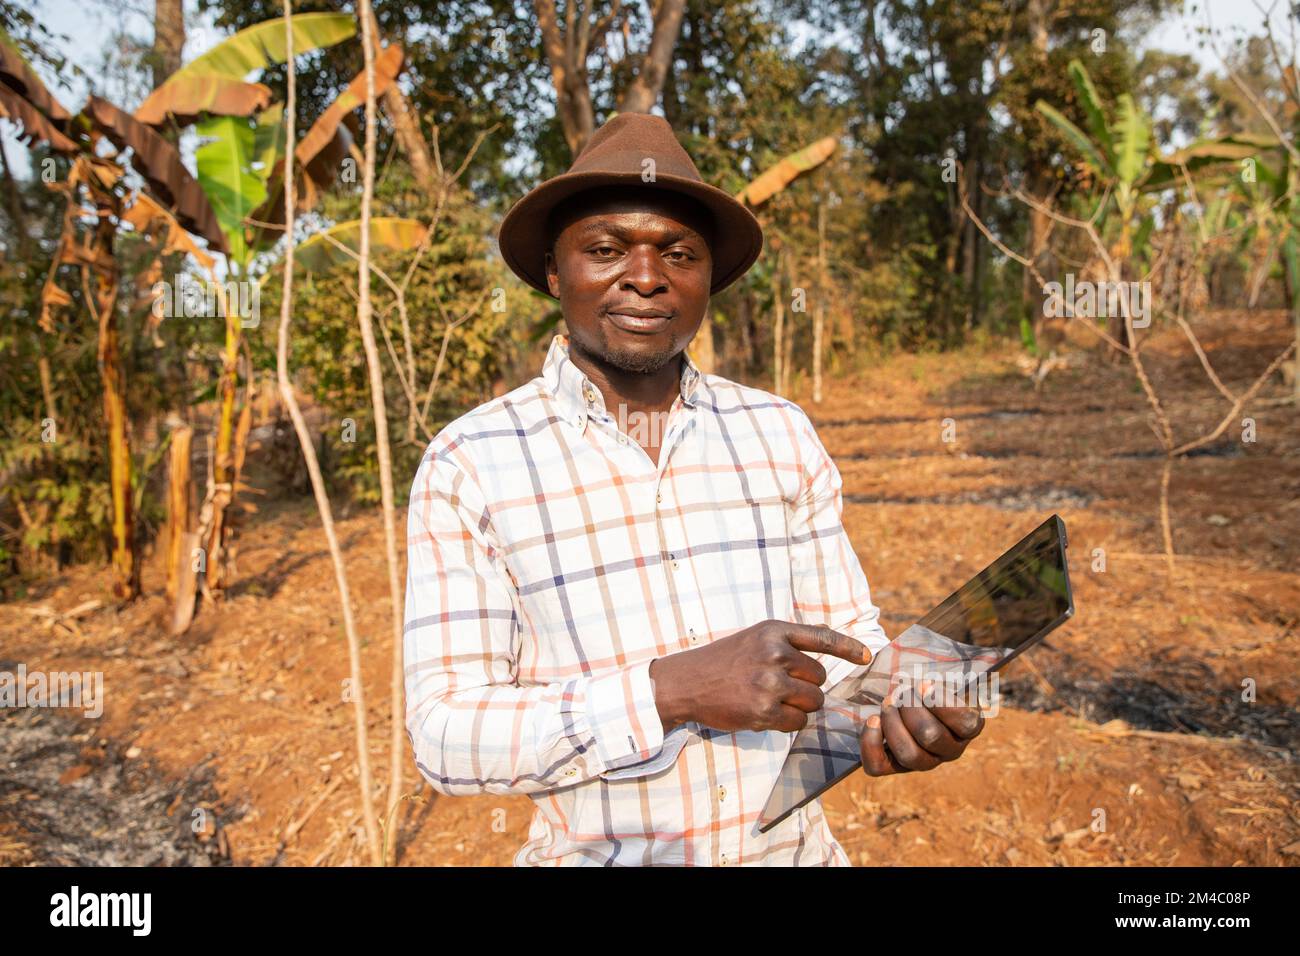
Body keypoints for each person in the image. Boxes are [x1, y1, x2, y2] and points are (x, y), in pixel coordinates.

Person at [403, 112, 985, 866]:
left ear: (709, 277)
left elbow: (846, 640)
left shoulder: (778, 432)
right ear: (554, 271)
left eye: (677, 253)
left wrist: (901, 707)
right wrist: (667, 690)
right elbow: (446, 737)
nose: (646, 277)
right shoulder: (471, 462)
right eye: (606, 249)